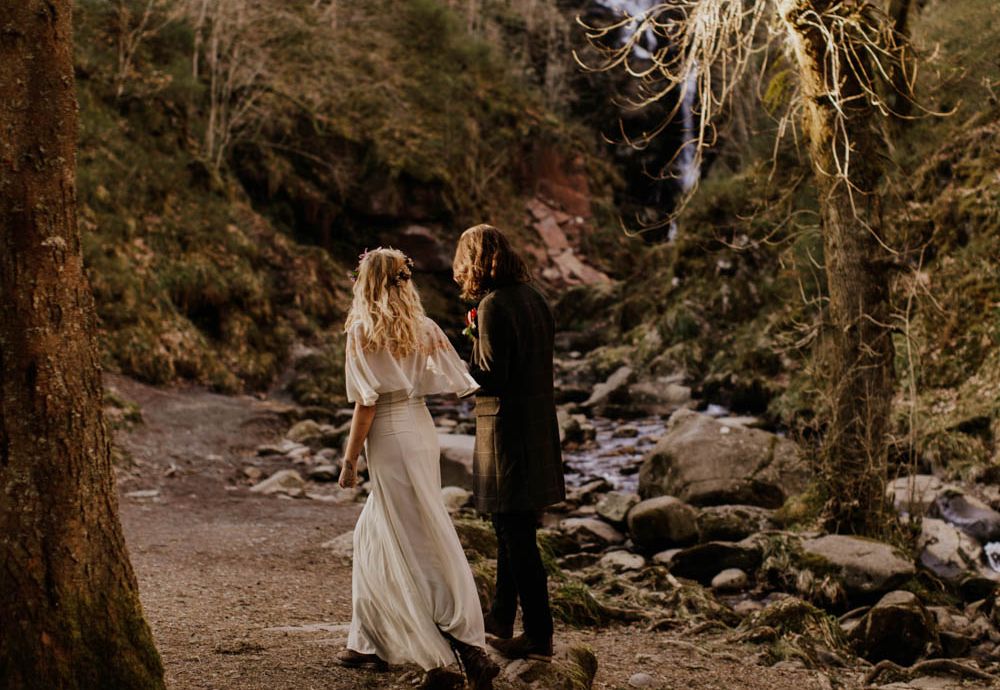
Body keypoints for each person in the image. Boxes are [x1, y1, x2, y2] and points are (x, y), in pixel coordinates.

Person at [336, 248, 500, 690]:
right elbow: (453, 383)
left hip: (387, 435)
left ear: (366, 282)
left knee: (414, 536)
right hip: (421, 429)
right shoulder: (423, 328)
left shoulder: (363, 331)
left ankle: (453, 653)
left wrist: (350, 459)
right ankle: (365, 639)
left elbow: (366, 404)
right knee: (373, 531)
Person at [452, 225, 566, 662]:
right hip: (536, 426)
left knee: (516, 536)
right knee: (510, 529)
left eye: (463, 261)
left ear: (476, 260)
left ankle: (538, 635)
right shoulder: (536, 298)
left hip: (507, 431)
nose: (459, 270)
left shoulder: (494, 305)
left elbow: (490, 376)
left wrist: (456, 358)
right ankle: (500, 617)